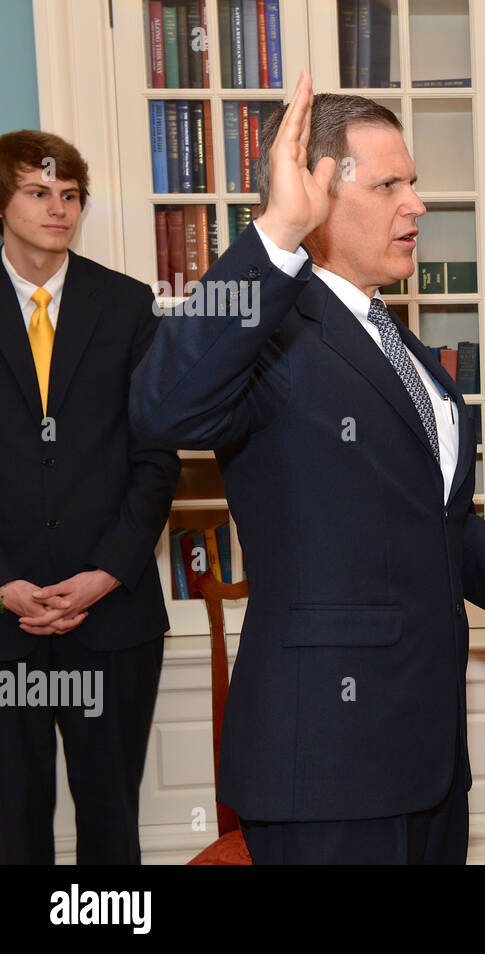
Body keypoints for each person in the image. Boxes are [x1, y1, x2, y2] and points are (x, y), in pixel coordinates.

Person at [130, 73, 485, 864]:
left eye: (417, 183)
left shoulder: (397, 341)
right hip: (327, 758)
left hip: (428, 756)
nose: (418, 205)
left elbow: (438, 525)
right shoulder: (270, 327)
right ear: (319, 193)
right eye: (392, 184)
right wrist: (273, 236)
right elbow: (164, 407)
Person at [0, 130, 179, 864]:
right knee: (13, 827)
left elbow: (155, 460)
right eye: (39, 193)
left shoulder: (129, 305)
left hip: (113, 620)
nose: (59, 209)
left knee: (111, 829)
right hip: (4, 622)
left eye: (70, 196)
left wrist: (104, 575)